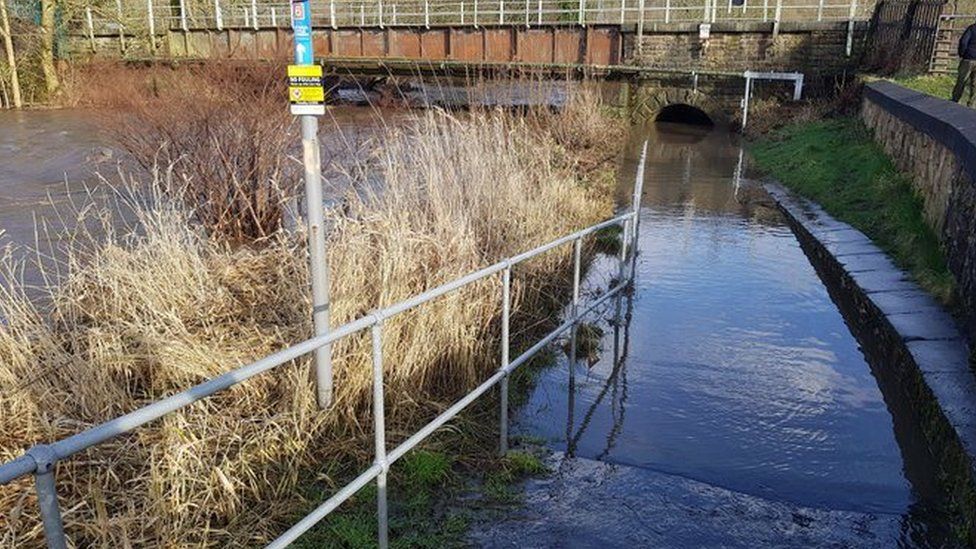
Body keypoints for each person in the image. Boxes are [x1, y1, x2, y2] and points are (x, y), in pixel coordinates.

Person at [953, 19, 976, 106]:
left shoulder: (971, 28)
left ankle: (955, 100)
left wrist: (962, 54)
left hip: (968, 59)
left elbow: (963, 42)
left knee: (961, 81)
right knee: (975, 85)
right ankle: (971, 104)